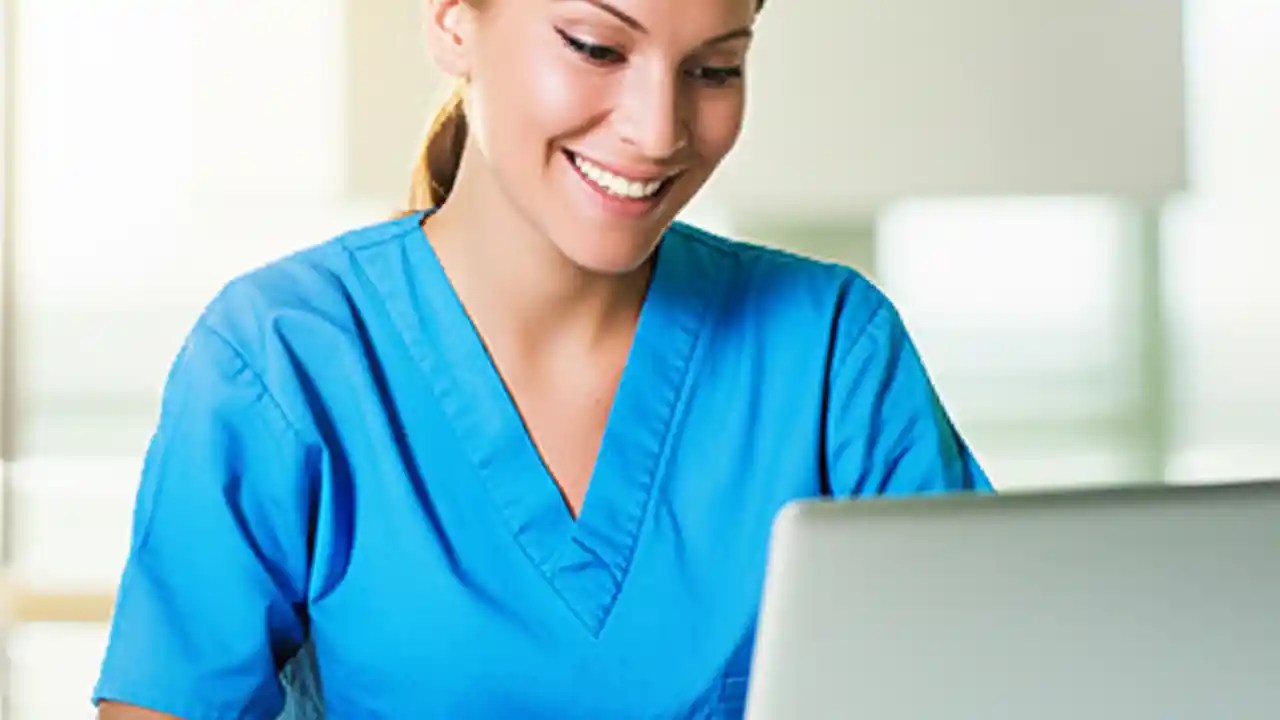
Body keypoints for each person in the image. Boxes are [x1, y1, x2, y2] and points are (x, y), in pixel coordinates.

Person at [94, 0, 990, 717]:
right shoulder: (283, 359)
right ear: (452, 20)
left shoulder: (832, 352)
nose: (657, 130)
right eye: (597, 47)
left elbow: (994, 677)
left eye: (714, 69)